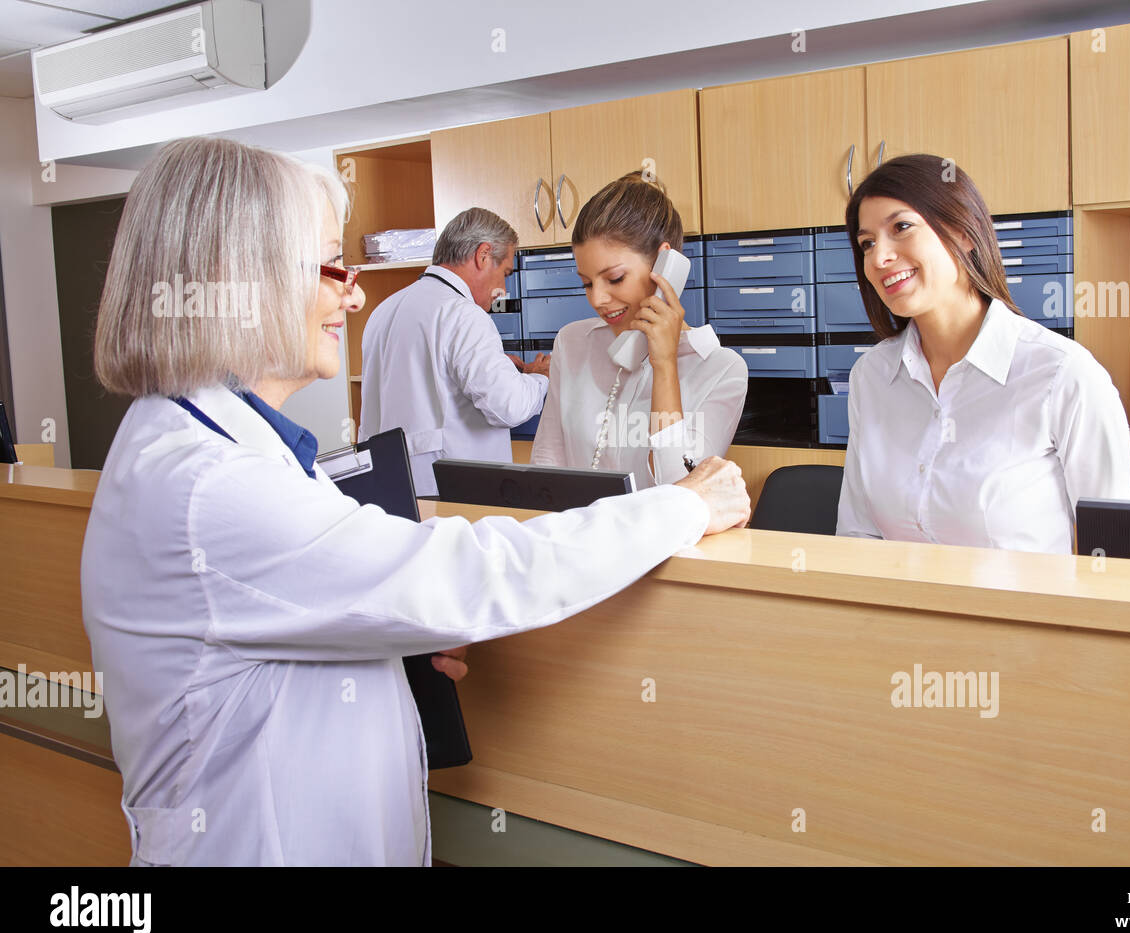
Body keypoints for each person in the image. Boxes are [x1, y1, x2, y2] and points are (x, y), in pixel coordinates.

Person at [81, 137, 750, 866]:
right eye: (331, 265)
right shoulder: (210, 486)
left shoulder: (218, 449)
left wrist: (393, 642)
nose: (356, 291)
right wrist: (683, 507)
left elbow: (279, 629)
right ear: (236, 280)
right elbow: (474, 573)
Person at [835, 154, 1130, 554]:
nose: (878, 258)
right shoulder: (871, 376)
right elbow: (858, 534)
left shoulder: (1063, 373)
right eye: (867, 243)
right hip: (898, 614)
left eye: (901, 227)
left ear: (963, 232)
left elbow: (1116, 554)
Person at [530, 173, 748, 488]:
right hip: (576, 536)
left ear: (663, 266)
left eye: (615, 278)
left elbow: (679, 490)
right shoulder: (572, 342)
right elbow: (546, 467)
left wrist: (665, 365)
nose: (598, 300)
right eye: (587, 283)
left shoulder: (722, 369)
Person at [359, 208, 549, 496]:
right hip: (449, 489)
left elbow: (424, 377)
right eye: (505, 273)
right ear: (483, 255)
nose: (504, 288)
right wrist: (539, 378)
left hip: (391, 487)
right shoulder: (463, 314)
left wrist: (496, 366)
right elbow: (509, 407)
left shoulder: (384, 310)